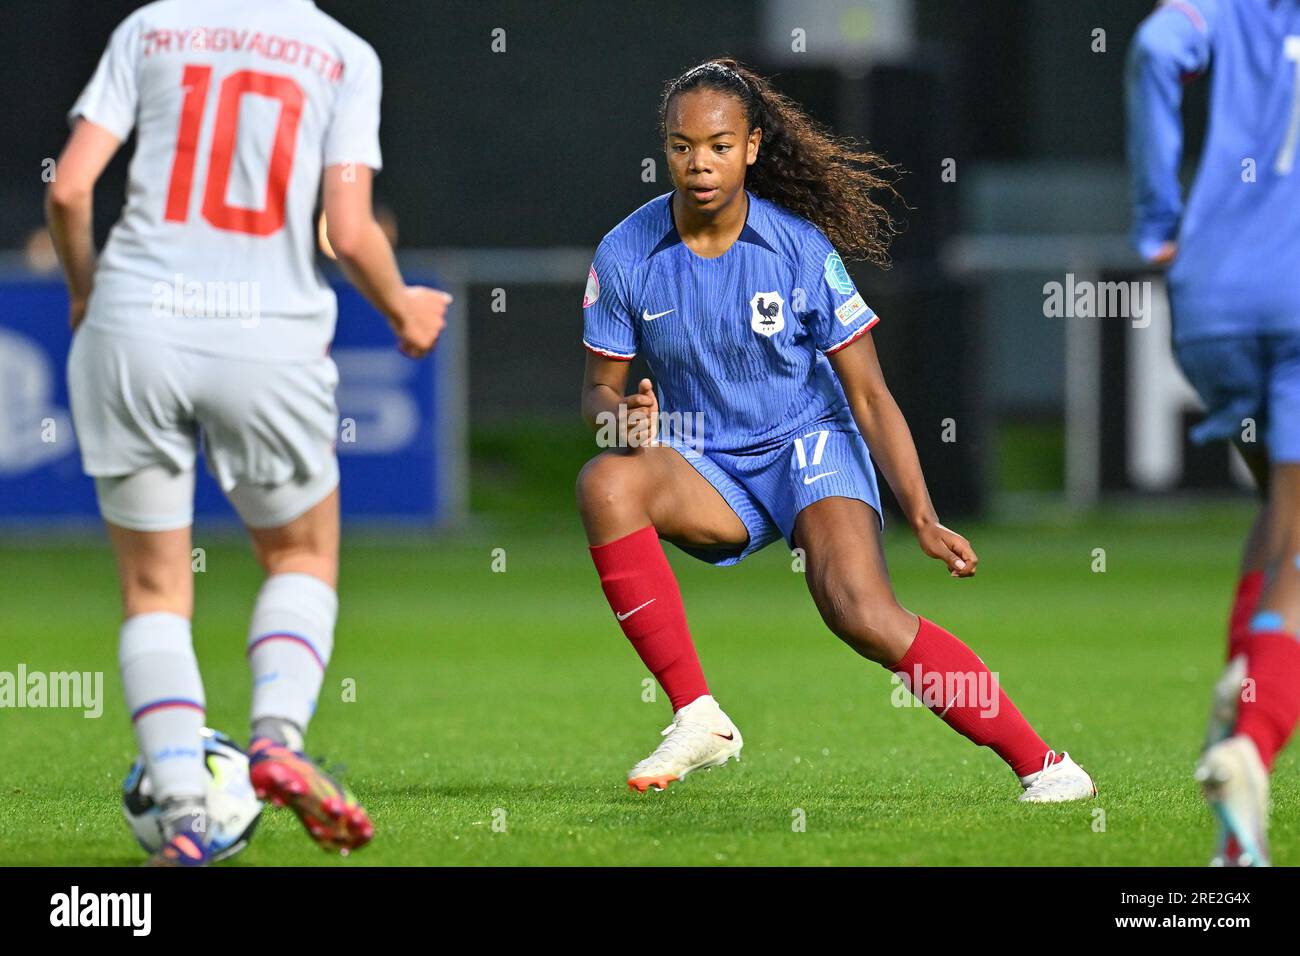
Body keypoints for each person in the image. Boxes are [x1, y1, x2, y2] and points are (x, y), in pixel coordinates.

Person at [576, 59, 1096, 803]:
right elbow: (597, 392)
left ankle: (1046, 766)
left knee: (862, 614)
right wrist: (618, 421)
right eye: (682, 145)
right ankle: (699, 714)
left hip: (807, 444)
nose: (700, 163)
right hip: (703, 460)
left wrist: (922, 514)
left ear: (752, 147)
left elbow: (870, 395)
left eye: (719, 145)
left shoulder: (799, 251)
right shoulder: (626, 253)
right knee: (604, 481)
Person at [45, 0, 449, 865]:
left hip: (133, 322)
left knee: (155, 592)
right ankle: (275, 739)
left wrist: (85, 291)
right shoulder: (342, 52)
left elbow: (70, 189)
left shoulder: (150, 27)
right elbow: (348, 231)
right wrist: (403, 304)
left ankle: (186, 819)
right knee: (301, 555)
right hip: (265, 333)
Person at [1127, 0, 1300, 867]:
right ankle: (1251, 741)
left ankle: (1237, 806)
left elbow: (1156, 48)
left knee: (1284, 513)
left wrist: (1159, 219)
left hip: (1215, 297)